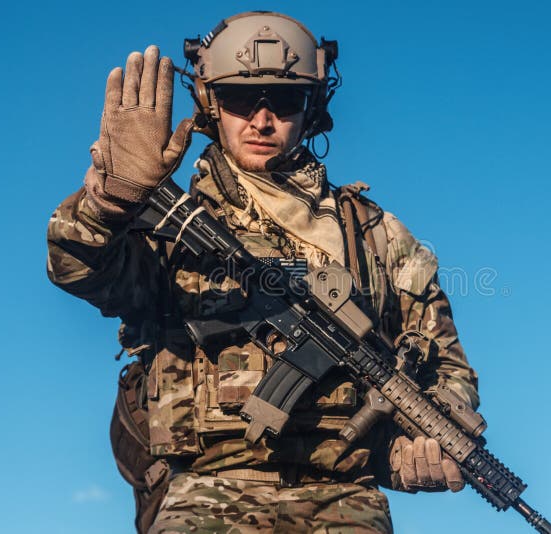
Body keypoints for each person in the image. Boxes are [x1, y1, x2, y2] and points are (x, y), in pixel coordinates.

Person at [47, 11, 480, 534]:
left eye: (284, 99)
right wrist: (108, 205)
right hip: (204, 489)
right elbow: (75, 267)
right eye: (239, 99)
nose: (262, 119)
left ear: (312, 106)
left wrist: (428, 437)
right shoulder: (168, 222)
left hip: (345, 496)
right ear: (209, 101)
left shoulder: (377, 237)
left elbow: (447, 368)